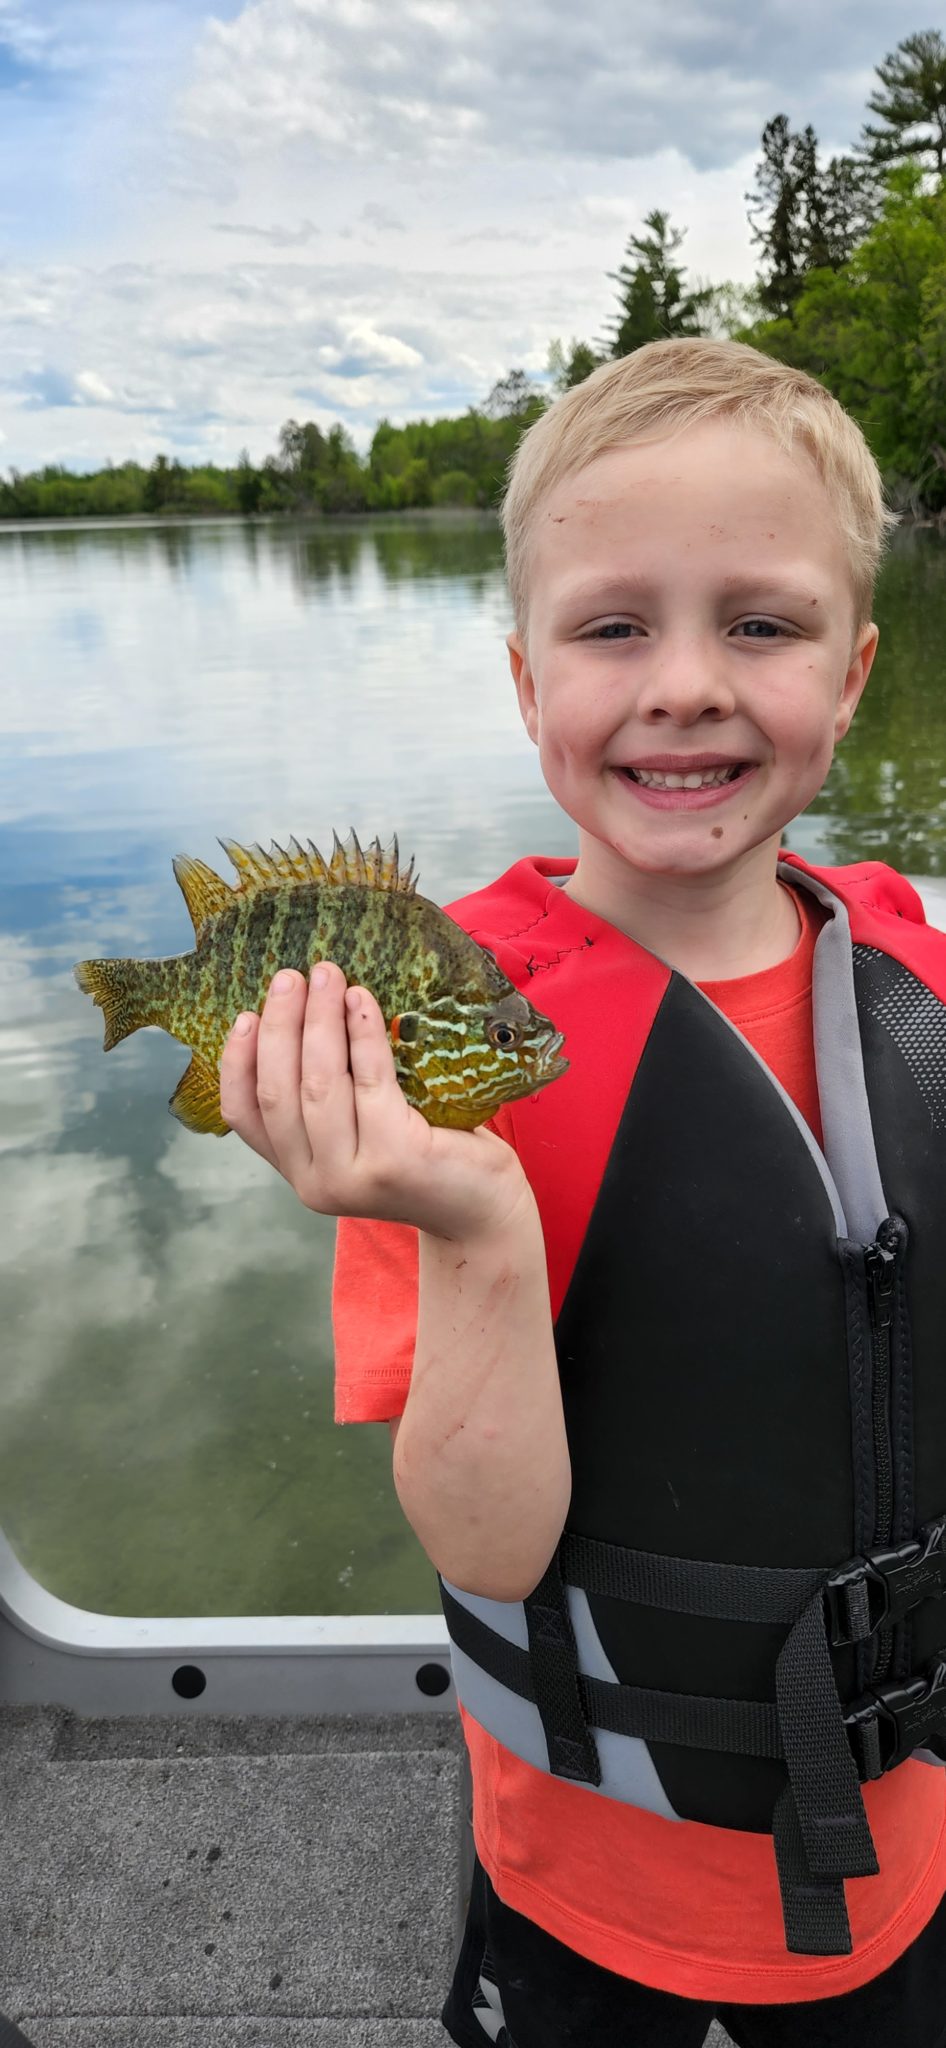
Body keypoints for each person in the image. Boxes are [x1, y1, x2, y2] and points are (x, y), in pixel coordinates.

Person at [218, 338, 946, 2047]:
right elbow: (486, 1548)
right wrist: (472, 1227)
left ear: (852, 676)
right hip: (590, 1879)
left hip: (900, 1856)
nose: (683, 685)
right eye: (613, 627)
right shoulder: (433, 1046)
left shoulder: (910, 977)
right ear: (522, 679)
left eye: (757, 626)